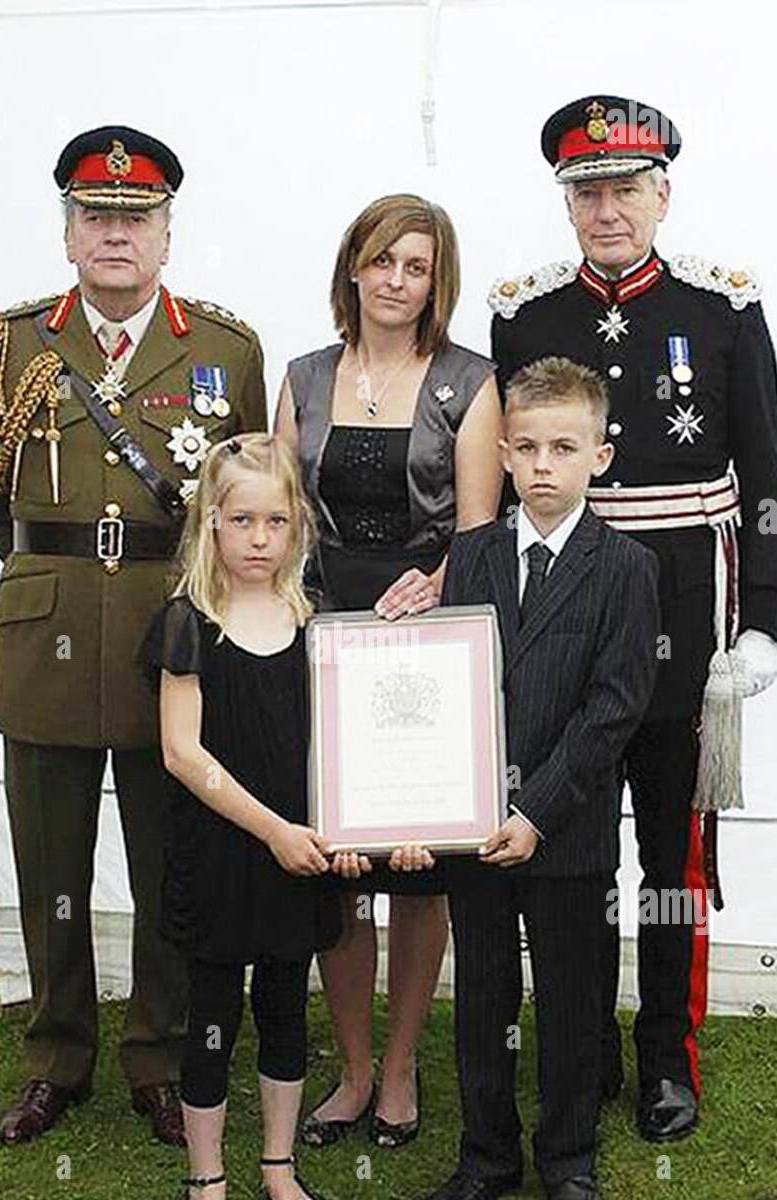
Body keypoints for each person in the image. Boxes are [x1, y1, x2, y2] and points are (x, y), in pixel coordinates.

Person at [487, 95, 777, 1142]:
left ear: (662, 193)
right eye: (588, 192)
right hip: (565, 615)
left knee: (672, 860)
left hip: (684, 616)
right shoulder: (524, 316)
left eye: (626, 188)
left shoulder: (723, 309)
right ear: (567, 204)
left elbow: (764, 476)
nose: (607, 209)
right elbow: (502, 482)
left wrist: (764, 625)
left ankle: (668, 1055)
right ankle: (581, 1045)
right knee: (570, 852)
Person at [0, 125, 266, 1147]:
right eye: (97, 217)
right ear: (68, 234)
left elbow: (247, 504)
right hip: (45, 628)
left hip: (163, 630)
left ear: (167, 234)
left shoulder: (225, 351)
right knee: (50, 862)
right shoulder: (14, 343)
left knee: (164, 859)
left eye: (136, 219)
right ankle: (57, 1057)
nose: (116, 235)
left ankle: (157, 1055)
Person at [140, 434, 409, 1200]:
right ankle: (207, 1180)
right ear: (209, 526)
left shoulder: (317, 624)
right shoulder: (188, 626)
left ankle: (280, 1165)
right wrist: (274, 833)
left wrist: (359, 829)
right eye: (242, 519)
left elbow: (347, 743)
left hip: (305, 857)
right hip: (227, 854)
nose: (259, 537)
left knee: (287, 1010)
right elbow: (183, 754)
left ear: (299, 528)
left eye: (277, 520)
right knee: (215, 1017)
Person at [275, 193, 503, 1148]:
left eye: (416, 266)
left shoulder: (470, 381)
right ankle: (354, 1068)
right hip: (325, 637)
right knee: (340, 868)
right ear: (353, 268)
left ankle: (403, 1067)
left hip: (427, 638)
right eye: (382, 261)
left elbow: (482, 533)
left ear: (435, 280)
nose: (397, 281)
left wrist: (434, 581)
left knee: (418, 873)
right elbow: (276, 517)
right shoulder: (303, 376)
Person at [415, 357, 660, 1200]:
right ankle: (485, 1155)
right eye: (527, 447)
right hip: (475, 827)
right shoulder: (473, 554)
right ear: (505, 456)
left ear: (600, 454)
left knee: (568, 1002)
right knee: (481, 996)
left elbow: (615, 708)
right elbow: (447, 684)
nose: (545, 464)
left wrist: (538, 811)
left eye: (565, 446)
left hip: (567, 828)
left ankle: (568, 1159)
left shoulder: (627, 568)